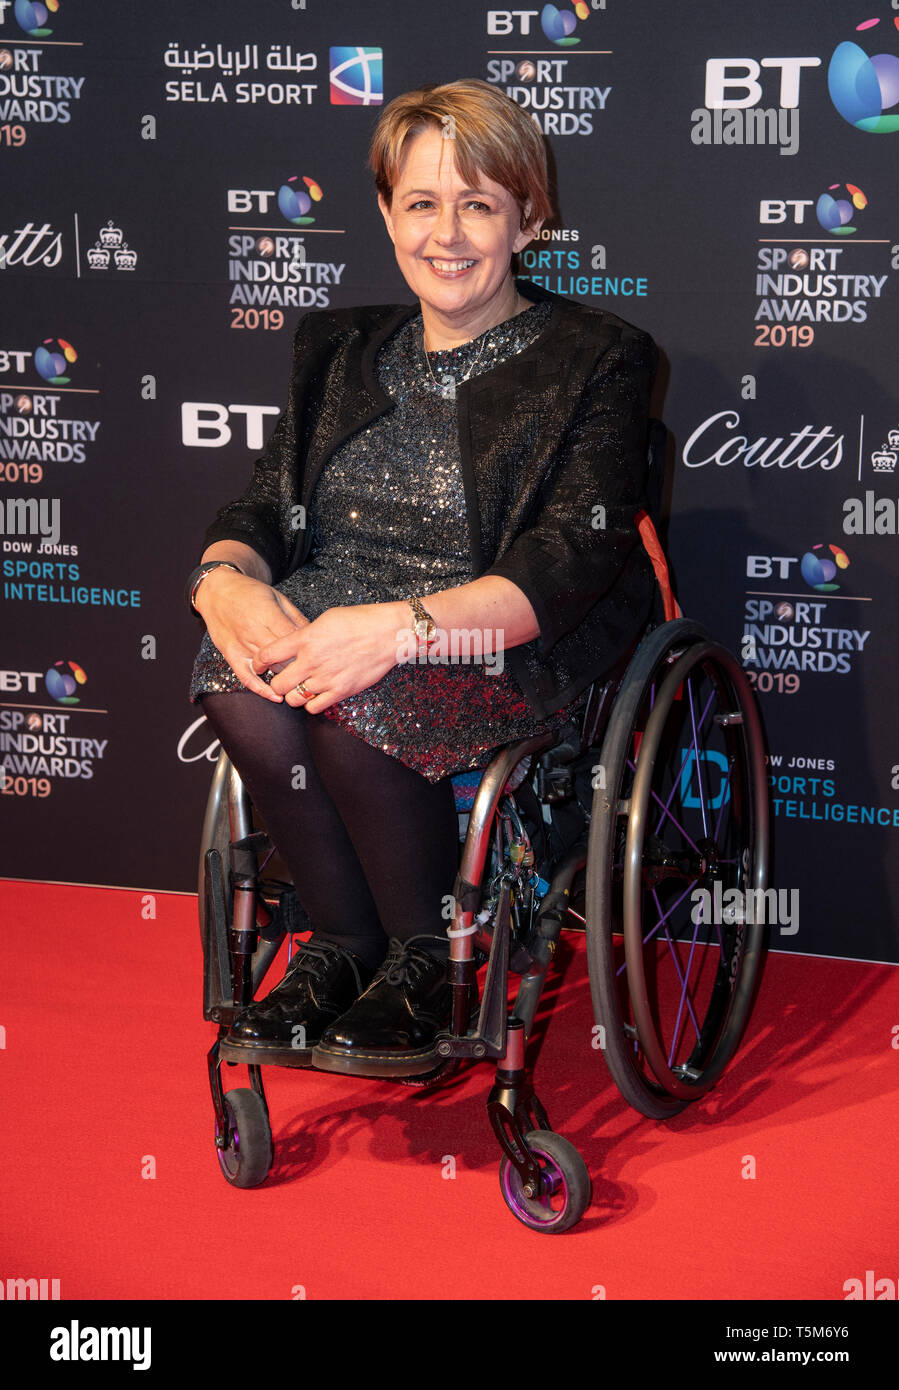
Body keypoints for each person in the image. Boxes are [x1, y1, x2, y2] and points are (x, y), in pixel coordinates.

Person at [187, 78, 659, 1077]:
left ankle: (422, 958)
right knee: (236, 672)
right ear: (386, 213)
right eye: (421, 203)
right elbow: (266, 507)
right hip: (343, 609)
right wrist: (220, 580)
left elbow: (568, 559)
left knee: (357, 702)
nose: (446, 234)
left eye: (477, 204)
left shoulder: (595, 359)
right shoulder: (338, 349)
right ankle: (342, 944)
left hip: (499, 631)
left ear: (528, 220)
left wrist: (397, 630)